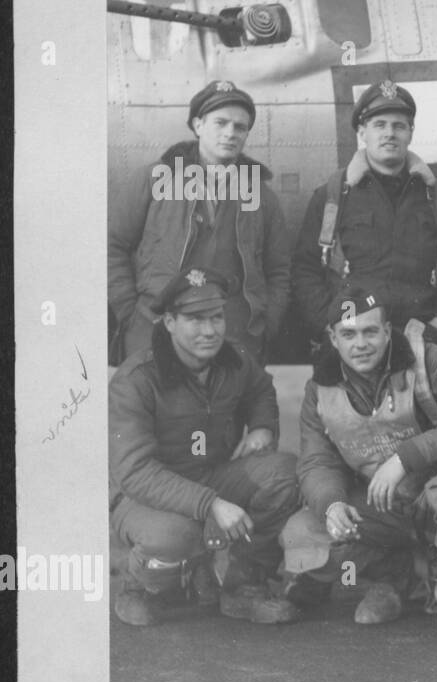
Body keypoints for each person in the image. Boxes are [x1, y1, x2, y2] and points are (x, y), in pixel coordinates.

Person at [279, 285, 437, 638]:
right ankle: (394, 577)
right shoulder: (319, 388)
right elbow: (316, 460)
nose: (360, 344)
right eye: (348, 334)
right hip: (385, 511)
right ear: (333, 339)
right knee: (303, 532)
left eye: (370, 331)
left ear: (387, 331)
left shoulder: (428, 360)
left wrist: (404, 457)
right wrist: (331, 504)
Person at [109, 268, 300, 626]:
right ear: (168, 321)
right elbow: (135, 473)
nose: (210, 331)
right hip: (142, 496)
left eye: (216, 317)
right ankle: (140, 585)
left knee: (285, 475)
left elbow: (261, 389)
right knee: (176, 536)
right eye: (195, 320)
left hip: (209, 474)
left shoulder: (233, 359)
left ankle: (243, 587)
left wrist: (261, 427)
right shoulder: (136, 381)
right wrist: (210, 504)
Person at [108, 80, 290, 362]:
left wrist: (267, 324)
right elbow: (112, 246)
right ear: (198, 125)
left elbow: (279, 271)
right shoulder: (154, 180)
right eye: (221, 123)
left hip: (234, 337)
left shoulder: (262, 196)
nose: (230, 133)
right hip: (156, 331)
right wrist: (130, 313)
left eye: (240, 127)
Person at [292, 80, 437, 351]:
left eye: (399, 126)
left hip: (420, 340)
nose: (390, 133)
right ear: (362, 132)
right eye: (380, 125)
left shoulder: (434, 197)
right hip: (354, 342)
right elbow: (306, 269)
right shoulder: (332, 196)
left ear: (411, 133)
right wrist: (329, 327)